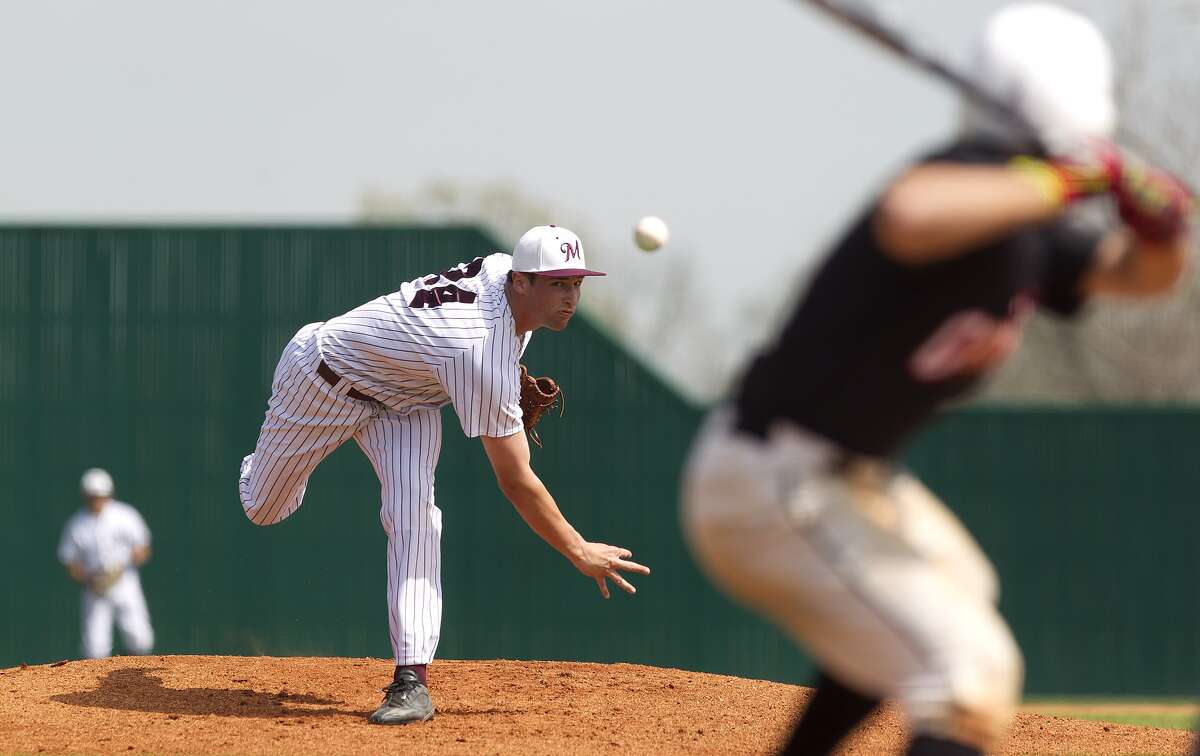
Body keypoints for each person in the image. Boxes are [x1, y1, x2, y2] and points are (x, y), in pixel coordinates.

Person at [680, 4, 1192, 755]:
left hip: (838, 480)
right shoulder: (971, 179)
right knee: (967, 669)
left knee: (956, 590)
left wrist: (1162, 227)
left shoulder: (1027, 220)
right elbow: (910, 214)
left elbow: (1139, 277)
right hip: (772, 477)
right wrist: (1073, 177)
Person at [238, 225, 651, 725]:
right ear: (520, 282)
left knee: (416, 521)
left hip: (408, 404)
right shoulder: (474, 350)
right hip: (322, 378)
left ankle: (411, 680)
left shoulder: (503, 271)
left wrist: (497, 386)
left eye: (576, 284)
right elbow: (516, 480)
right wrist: (578, 549)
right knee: (265, 507)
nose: (570, 297)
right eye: (556, 284)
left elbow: (487, 335)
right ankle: (272, 465)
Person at [57, 468, 155, 659]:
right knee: (95, 647)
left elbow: (143, 547)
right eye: (92, 496)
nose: (97, 500)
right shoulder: (77, 524)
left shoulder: (125, 515)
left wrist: (122, 566)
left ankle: (135, 678)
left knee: (139, 637)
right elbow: (69, 560)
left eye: (100, 495)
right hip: (94, 586)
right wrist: (88, 578)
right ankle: (100, 686)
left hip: (125, 581)